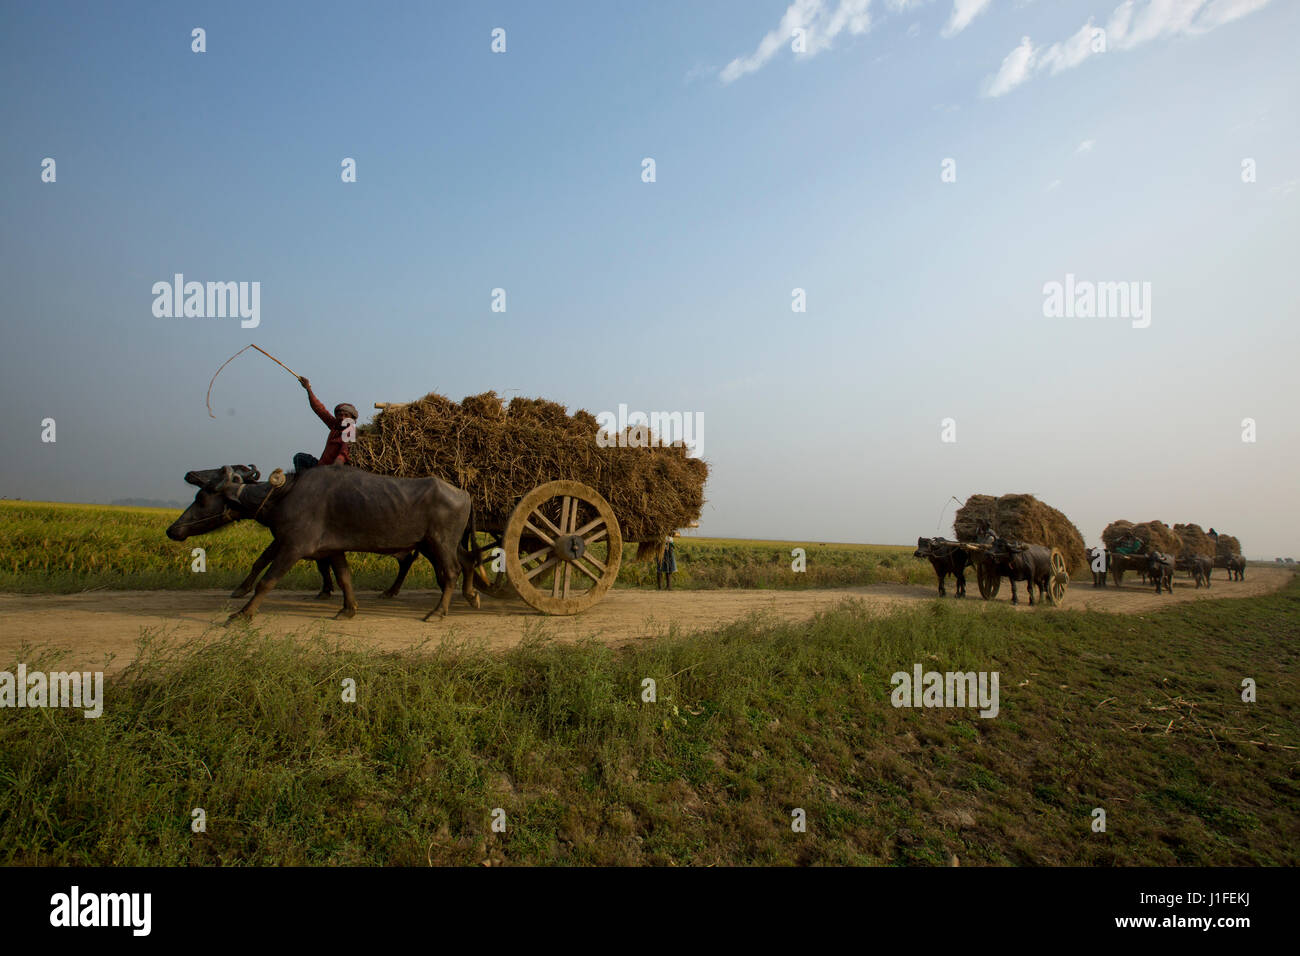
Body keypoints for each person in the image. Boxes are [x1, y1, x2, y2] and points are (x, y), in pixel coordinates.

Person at [293, 376, 358, 472]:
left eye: (346, 415)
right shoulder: (335, 425)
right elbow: (319, 409)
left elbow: (345, 450)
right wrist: (308, 389)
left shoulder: (351, 429)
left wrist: (337, 464)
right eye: (340, 415)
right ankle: (303, 482)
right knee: (299, 457)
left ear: (352, 418)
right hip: (321, 466)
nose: (343, 417)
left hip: (331, 469)